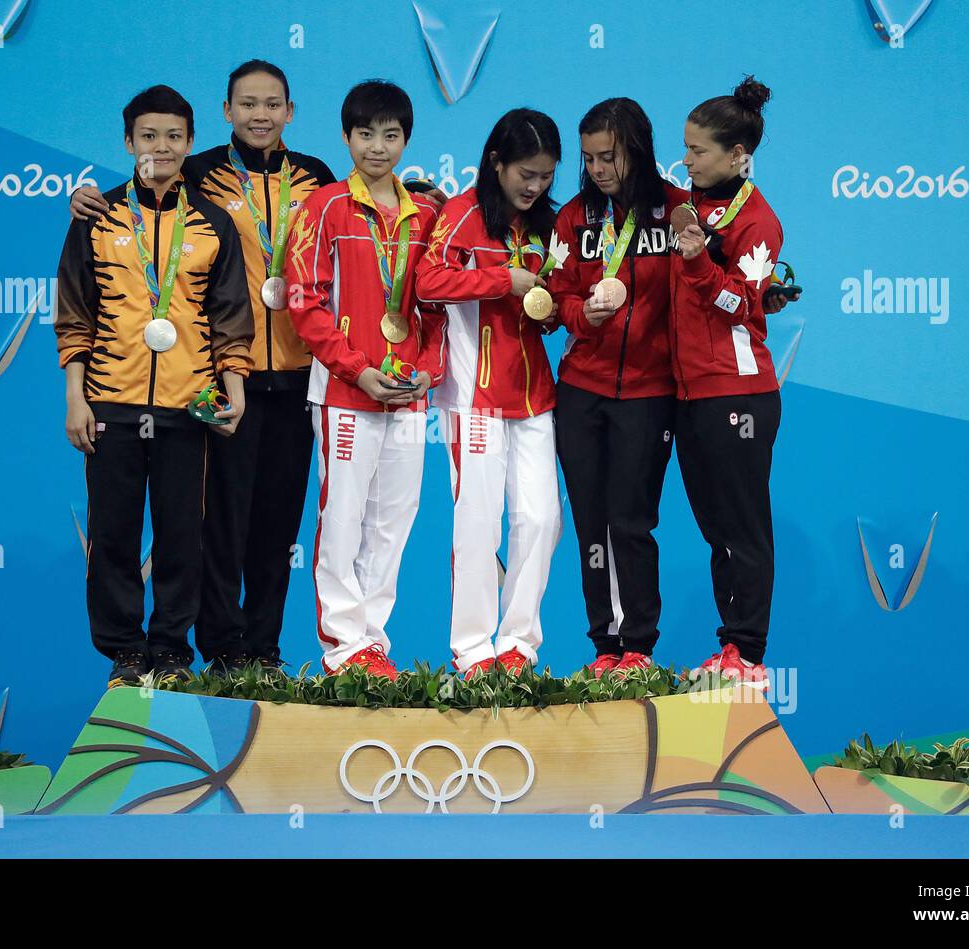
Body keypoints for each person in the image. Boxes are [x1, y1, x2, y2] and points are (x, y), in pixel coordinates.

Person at [71, 61, 335, 675]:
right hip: (219, 383)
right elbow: (140, 206)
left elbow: (354, 214)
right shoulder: (198, 171)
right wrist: (84, 199)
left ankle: (263, 648)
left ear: (291, 111)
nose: (260, 115)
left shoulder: (316, 177)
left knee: (276, 524)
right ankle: (221, 644)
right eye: (247, 103)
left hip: (297, 372)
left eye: (273, 104)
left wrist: (423, 194)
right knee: (219, 523)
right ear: (226, 111)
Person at [55, 85, 253, 687]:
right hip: (110, 401)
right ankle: (123, 649)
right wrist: (75, 397)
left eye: (173, 136)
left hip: (187, 406)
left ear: (190, 143)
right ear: (128, 143)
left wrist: (235, 389)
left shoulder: (214, 223)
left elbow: (229, 317)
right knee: (113, 532)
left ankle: (169, 647)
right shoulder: (96, 219)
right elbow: (74, 315)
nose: (160, 147)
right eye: (148, 136)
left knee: (181, 535)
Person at [286, 80, 446, 680]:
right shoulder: (323, 207)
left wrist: (426, 372)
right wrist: (357, 369)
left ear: (407, 139)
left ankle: (372, 642)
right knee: (343, 514)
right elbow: (305, 302)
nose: (377, 147)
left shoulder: (427, 213)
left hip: (406, 394)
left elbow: (436, 304)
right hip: (345, 392)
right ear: (346, 137)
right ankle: (342, 645)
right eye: (364, 134)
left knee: (394, 519)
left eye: (391, 135)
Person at [415, 109, 564, 679]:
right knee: (478, 520)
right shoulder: (462, 215)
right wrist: (504, 280)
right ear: (496, 164)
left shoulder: (545, 227)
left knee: (542, 517)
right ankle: (473, 650)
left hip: (534, 397)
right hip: (472, 396)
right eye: (526, 173)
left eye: (547, 176)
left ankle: (518, 645)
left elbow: (550, 300)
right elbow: (427, 282)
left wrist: (550, 307)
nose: (535, 186)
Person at [547, 98, 687, 678]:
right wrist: (584, 315)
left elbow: (704, 287)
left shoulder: (676, 212)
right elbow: (552, 298)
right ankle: (605, 646)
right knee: (591, 522)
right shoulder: (573, 219)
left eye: (610, 157)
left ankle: (639, 646)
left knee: (632, 520)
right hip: (582, 389)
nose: (599, 168)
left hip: (650, 393)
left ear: (638, 150)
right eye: (589, 158)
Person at [670, 76, 783, 691]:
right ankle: (730, 648)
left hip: (737, 391)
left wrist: (695, 260)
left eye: (697, 151)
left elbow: (740, 305)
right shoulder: (687, 201)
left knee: (742, 526)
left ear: (737, 155)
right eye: (684, 148)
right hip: (688, 394)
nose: (685, 160)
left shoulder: (758, 219)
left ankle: (749, 653)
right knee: (718, 531)